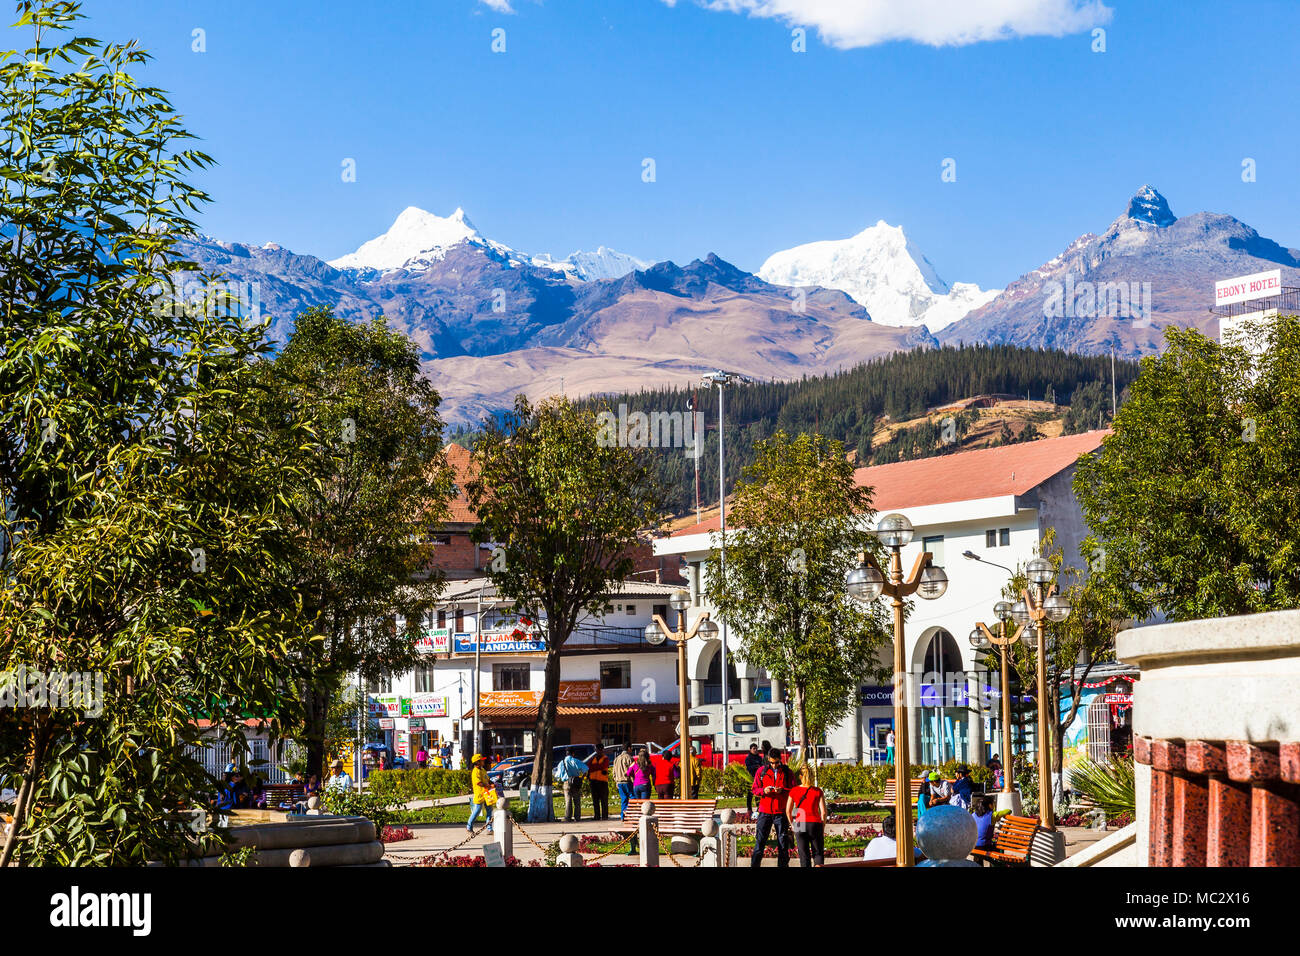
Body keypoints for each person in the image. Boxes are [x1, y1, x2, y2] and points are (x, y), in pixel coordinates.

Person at [750, 748, 795, 867]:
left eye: (776, 762)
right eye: (771, 763)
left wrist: (782, 790)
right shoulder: (761, 771)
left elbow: (793, 790)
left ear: (780, 760)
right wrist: (763, 791)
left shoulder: (787, 772)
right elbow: (754, 789)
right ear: (768, 760)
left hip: (780, 812)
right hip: (765, 812)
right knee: (759, 843)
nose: (774, 765)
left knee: (783, 844)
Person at [786, 765, 827, 868]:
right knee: (817, 853)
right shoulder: (818, 791)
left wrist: (792, 824)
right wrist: (823, 826)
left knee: (804, 855)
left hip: (800, 823)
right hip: (815, 823)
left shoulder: (794, 791)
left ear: (800, 776)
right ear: (812, 776)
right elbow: (823, 812)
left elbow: (788, 811)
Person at [554, 751, 589, 822]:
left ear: (566, 754)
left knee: (568, 801)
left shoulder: (562, 763)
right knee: (577, 801)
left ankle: (568, 817)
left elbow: (557, 775)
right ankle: (577, 817)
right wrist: (581, 778)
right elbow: (586, 769)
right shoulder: (576, 761)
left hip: (567, 782)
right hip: (576, 782)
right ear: (573, 753)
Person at [466, 754, 497, 835]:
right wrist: (489, 786)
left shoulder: (482, 769)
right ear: (477, 762)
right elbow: (479, 783)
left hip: (487, 793)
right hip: (479, 794)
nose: (483, 761)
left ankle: (489, 828)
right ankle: (469, 827)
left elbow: (487, 779)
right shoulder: (475, 771)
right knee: (477, 811)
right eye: (482, 760)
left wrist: (492, 783)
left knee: (489, 811)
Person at [587, 747, 611, 820]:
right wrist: (597, 767)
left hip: (602, 782)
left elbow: (603, 766)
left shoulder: (605, 758)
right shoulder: (592, 759)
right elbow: (588, 767)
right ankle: (596, 816)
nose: (599, 751)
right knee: (595, 800)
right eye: (597, 750)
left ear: (602, 750)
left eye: (600, 749)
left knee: (604, 800)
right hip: (593, 782)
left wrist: (593, 767)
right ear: (596, 750)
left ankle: (604, 816)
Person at [612, 743, 635, 820]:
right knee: (632, 798)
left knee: (624, 799)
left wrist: (616, 781)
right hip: (627, 781)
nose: (631, 749)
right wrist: (633, 781)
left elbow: (614, 772)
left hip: (619, 782)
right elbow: (632, 771)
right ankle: (629, 813)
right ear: (628, 748)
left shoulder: (617, 758)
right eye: (631, 748)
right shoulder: (629, 758)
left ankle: (623, 816)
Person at [743, 744, 764, 816]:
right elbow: (748, 768)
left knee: (758, 794)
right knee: (750, 795)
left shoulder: (759, 758)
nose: (755, 750)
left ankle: (758, 808)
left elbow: (763, 766)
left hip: (759, 778)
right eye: (754, 749)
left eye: (756, 749)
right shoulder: (748, 758)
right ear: (750, 750)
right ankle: (749, 809)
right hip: (751, 778)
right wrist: (755, 766)